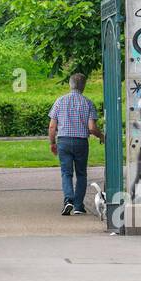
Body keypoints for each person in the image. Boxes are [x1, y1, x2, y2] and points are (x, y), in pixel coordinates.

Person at [48, 73, 104, 215]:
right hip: (81, 142)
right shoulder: (88, 103)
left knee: (66, 173)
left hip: (64, 141)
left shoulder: (60, 101)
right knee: (81, 174)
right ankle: (78, 206)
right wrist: (101, 136)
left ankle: (68, 200)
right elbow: (92, 128)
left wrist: (52, 143)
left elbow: (52, 126)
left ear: (70, 84)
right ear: (83, 86)